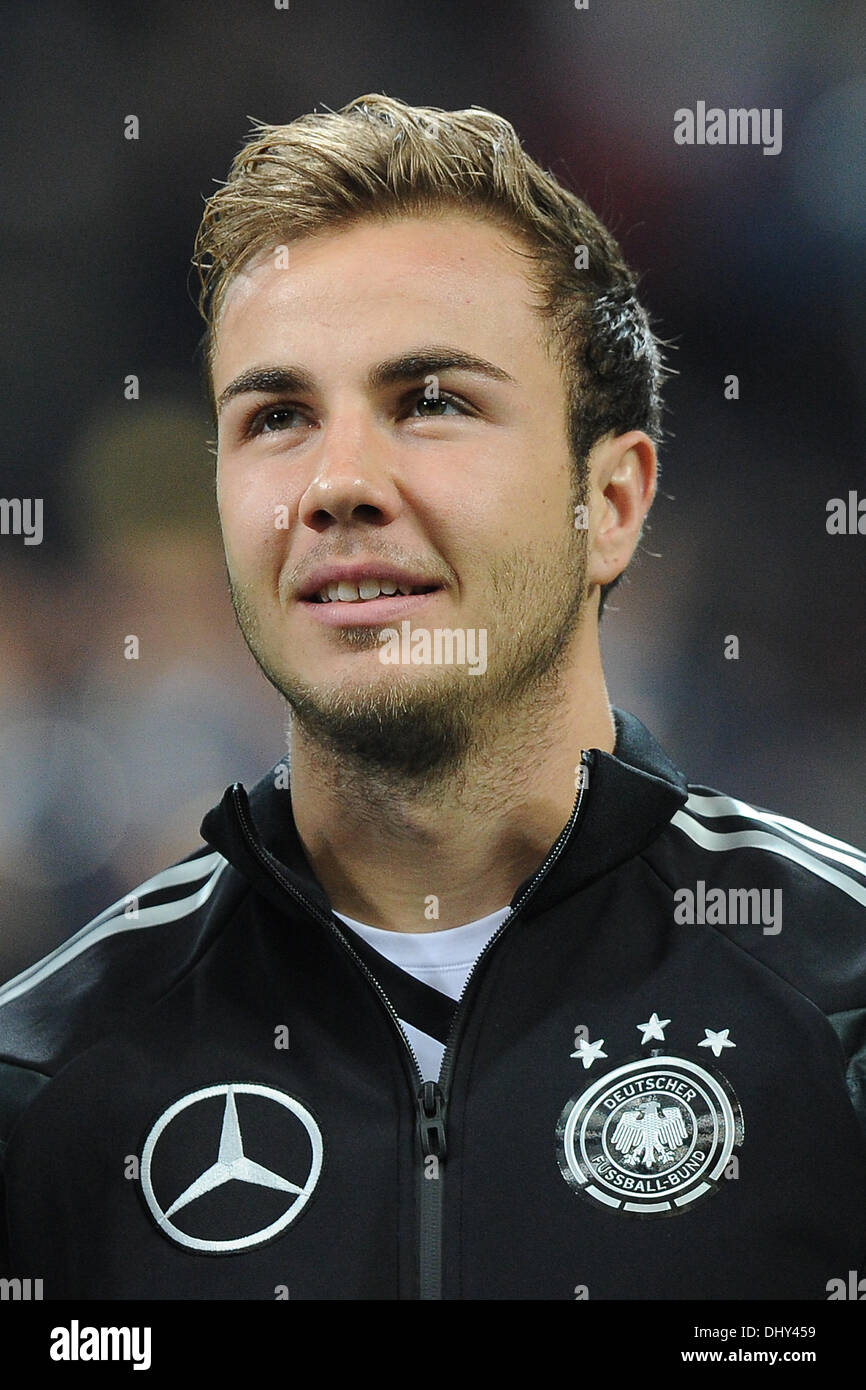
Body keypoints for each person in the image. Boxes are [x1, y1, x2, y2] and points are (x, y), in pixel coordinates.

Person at [1, 94, 864, 1302]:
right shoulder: (40, 1075)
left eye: (432, 401)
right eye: (277, 416)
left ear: (609, 504)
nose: (338, 481)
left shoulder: (841, 1011)